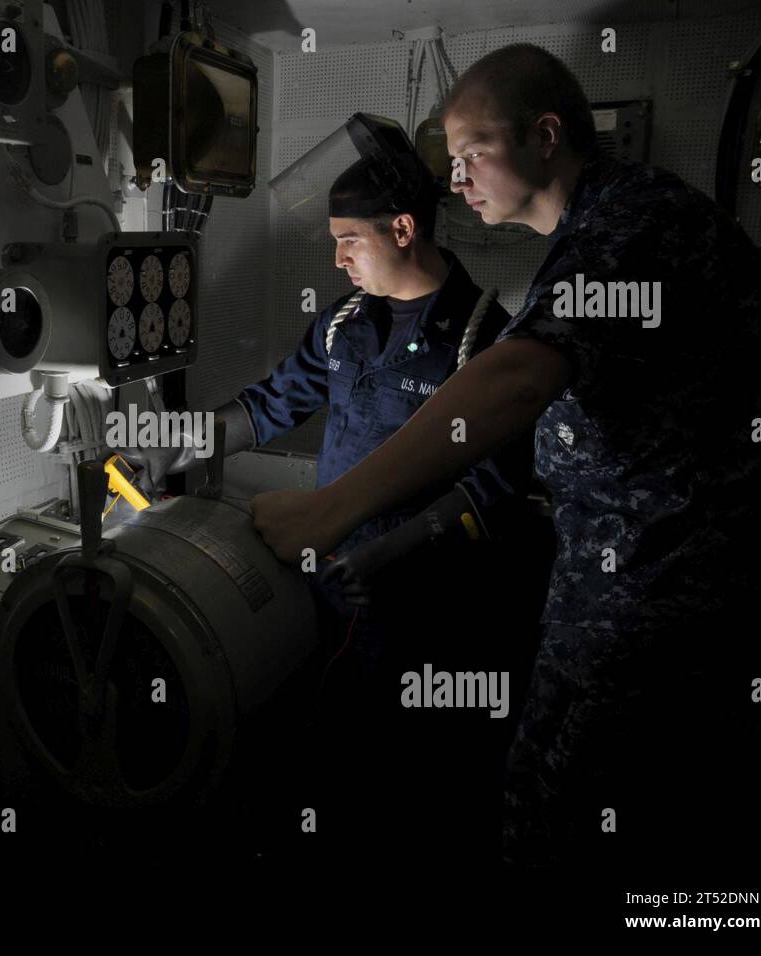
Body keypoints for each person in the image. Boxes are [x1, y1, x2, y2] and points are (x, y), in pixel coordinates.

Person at [251, 44, 761, 867]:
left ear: (546, 138)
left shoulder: (635, 223)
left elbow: (515, 380)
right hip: (622, 597)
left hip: (663, 619)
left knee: (591, 832)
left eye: (473, 153)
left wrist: (328, 511)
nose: (457, 178)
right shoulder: (591, 233)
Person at [143, 117, 540, 851]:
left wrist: (380, 558)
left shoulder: (485, 339)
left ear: (402, 229)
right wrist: (171, 445)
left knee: (417, 788)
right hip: (328, 597)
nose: (337, 259)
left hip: (430, 619)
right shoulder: (344, 325)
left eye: (348, 240)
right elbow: (269, 405)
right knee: (331, 765)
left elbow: (490, 493)